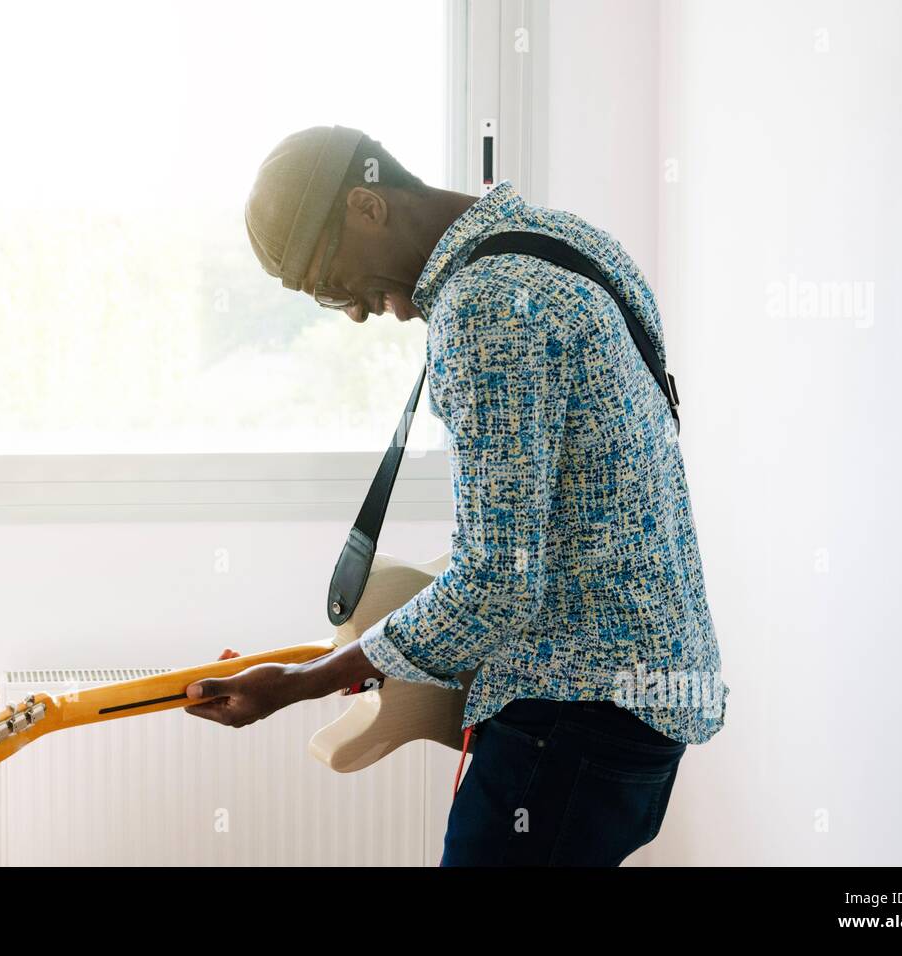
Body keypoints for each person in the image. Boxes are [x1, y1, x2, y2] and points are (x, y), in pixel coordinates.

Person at [185, 125, 728, 866]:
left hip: (571, 714)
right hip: (648, 696)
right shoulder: (560, 238)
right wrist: (380, 650)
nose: (350, 310)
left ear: (367, 206)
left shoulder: (482, 308)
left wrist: (301, 685)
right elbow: (569, 517)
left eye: (330, 279)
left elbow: (497, 587)